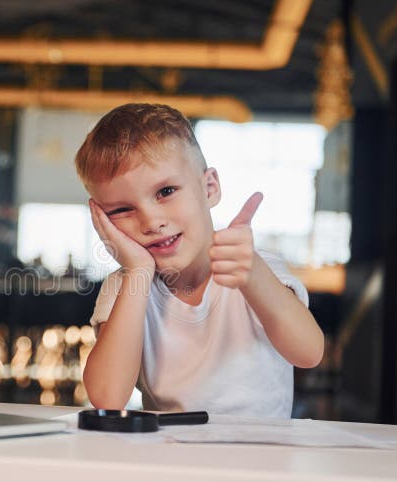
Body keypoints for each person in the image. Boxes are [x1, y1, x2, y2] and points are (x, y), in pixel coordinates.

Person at [76, 103, 324, 417]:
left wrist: (253, 276)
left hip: (262, 458)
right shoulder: (127, 286)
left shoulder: (252, 266)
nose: (151, 221)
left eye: (166, 191)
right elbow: (108, 397)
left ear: (209, 188)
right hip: (171, 458)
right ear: (102, 222)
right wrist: (139, 271)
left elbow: (309, 354)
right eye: (122, 210)